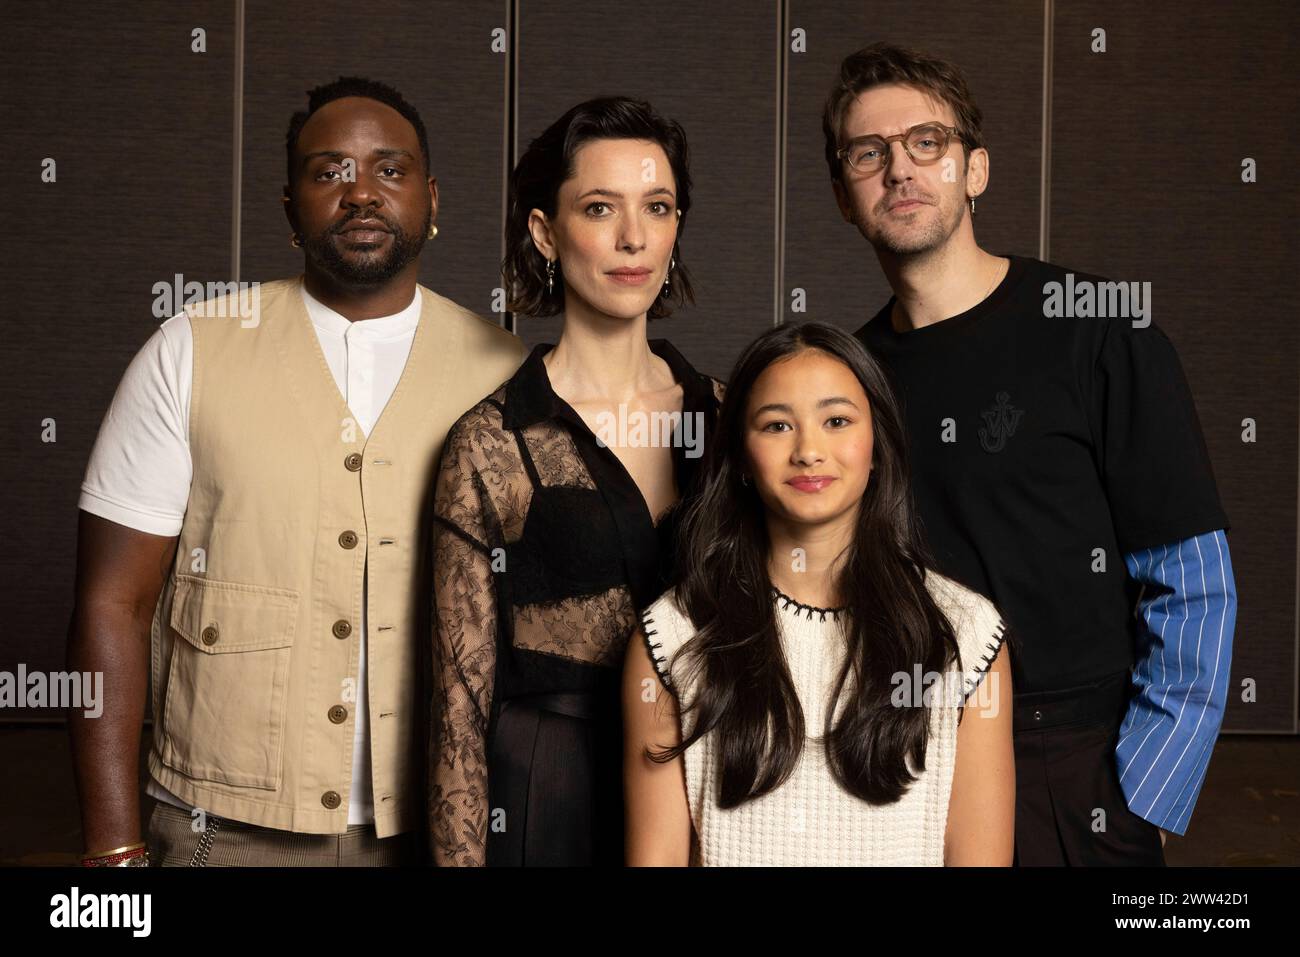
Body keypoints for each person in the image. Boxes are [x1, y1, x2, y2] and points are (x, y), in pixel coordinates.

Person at [67, 76, 526, 866]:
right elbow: (113, 600)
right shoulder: (190, 349)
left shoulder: (507, 372)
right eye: (328, 173)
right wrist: (113, 851)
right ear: (288, 209)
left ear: (432, 197)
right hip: (221, 829)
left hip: (438, 831)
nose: (360, 194)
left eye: (390, 169)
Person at [823, 42, 1237, 864]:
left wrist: (1142, 791)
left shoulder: (1099, 332)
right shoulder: (846, 381)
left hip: (1076, 764)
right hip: (910, 755)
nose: (900, 168)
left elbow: (1193, 579)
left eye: (927, 143)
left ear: (975, 169)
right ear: (844, 194)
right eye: (870, 153)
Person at [428, 97, 724, 866]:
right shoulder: (490, 441)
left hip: (710, 781)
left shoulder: (734, 418)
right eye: (600, 208)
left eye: (657, 208)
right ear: (545, 232)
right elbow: (457, 708)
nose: (633, 237)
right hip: (547, 796)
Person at [624, 321, 1015, 866]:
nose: (809, 451)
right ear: (739, 458)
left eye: (836, 421)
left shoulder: (964, 634)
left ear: (876, 445)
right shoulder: (673, 635)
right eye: (777, 425)